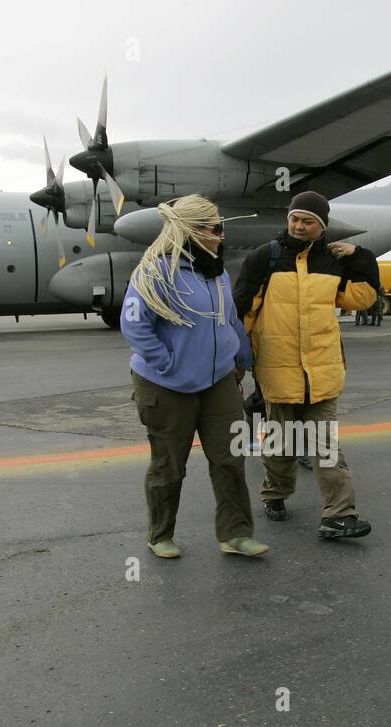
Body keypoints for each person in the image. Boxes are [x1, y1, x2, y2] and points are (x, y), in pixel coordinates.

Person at [120, 195, 266, 559]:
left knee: (230, 458)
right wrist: (167, 363)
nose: (222, 234)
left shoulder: (215, 273)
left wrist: (242, 360)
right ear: (190, 231)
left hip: (218, 382)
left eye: (221, 227)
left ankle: (235, 534)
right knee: (169, 465)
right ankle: (161, 534)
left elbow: (229, 321)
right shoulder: (154, 273)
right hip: (167, 384)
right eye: (215, 228)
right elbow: (134, 326)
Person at [232, 190, 379, 540]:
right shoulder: (264, 258)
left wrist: (361, 256)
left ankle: (339, 516)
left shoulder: (332, 262)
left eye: (308, 221)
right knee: (281, 447)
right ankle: (275, 493)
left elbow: (364, 297)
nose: (299, 226)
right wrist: (237, 364)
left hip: (322, 371)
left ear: (321, 226)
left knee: (326, 446)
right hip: (277, 371)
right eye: (294, 219)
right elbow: (243, 313)